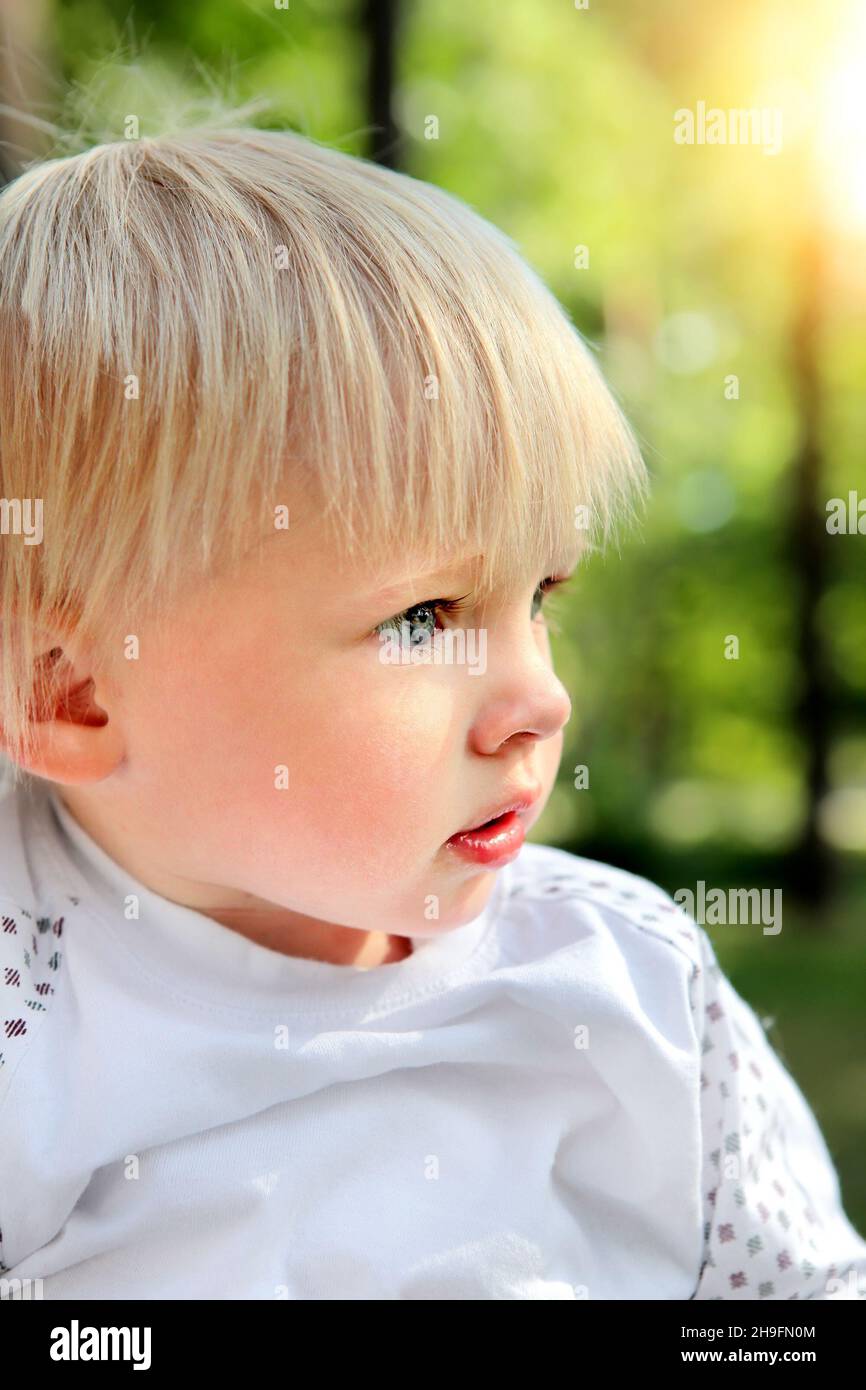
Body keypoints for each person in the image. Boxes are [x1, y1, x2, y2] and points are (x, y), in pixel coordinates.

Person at [0, 121, 862, 1300]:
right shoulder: (32, 1024)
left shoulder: (625, 983)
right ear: (74, 691)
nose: (538, 700)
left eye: (540, 595)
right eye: (421, 620)